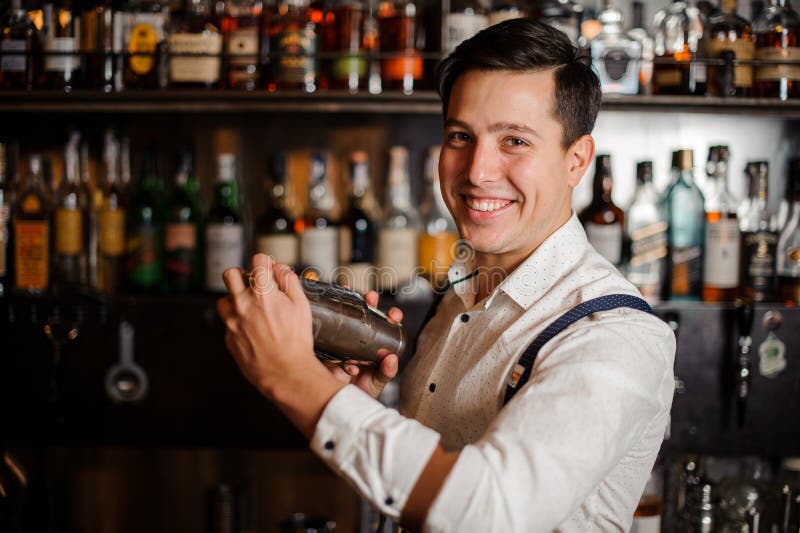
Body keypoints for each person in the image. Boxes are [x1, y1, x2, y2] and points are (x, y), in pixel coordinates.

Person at [217, 18, 676, 533]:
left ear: (576, 160)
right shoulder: (460, 296)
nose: (477, 171)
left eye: (515, 142)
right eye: (461, 136)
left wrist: (294, 381)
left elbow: (490, 509)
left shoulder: (616, 336)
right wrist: (346, 400)